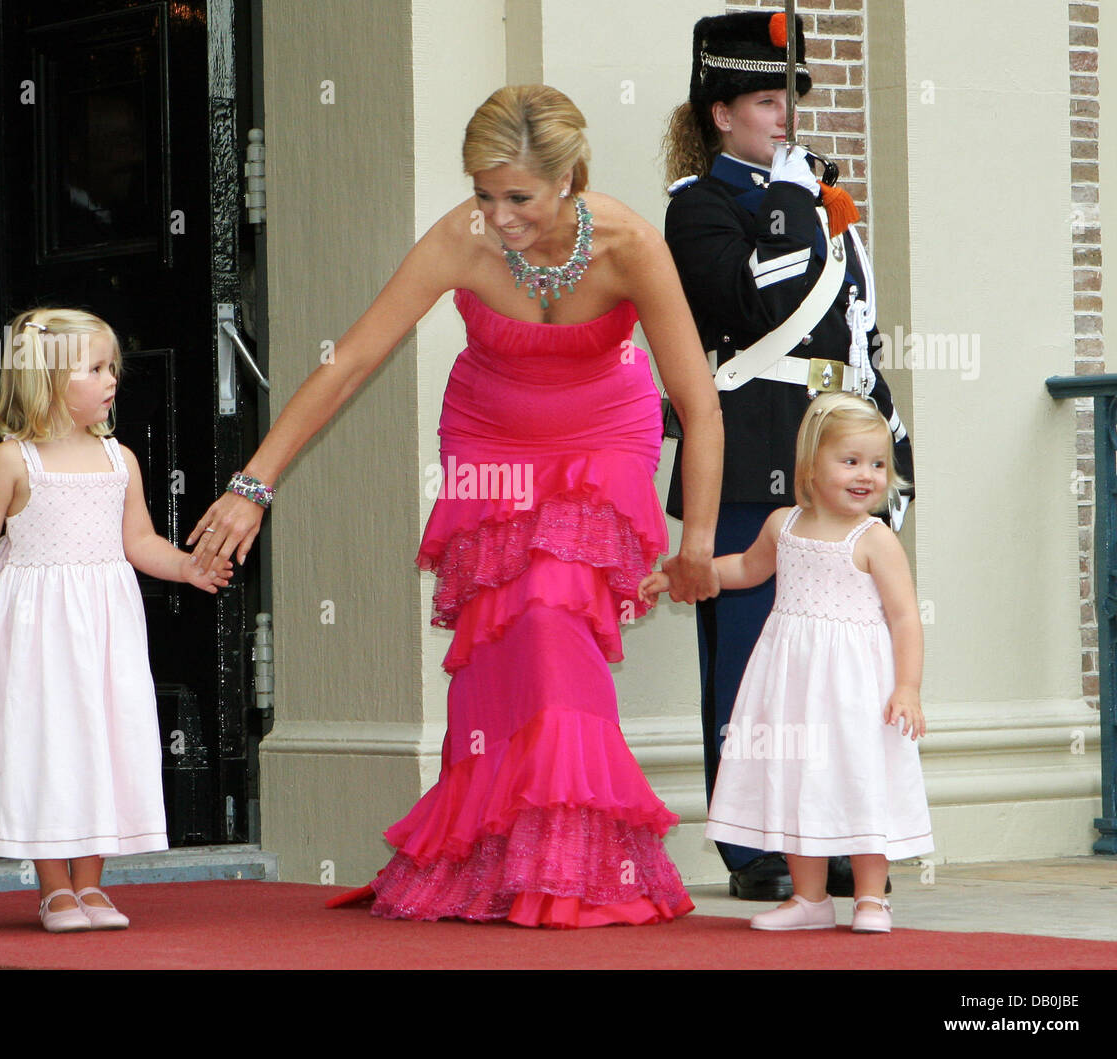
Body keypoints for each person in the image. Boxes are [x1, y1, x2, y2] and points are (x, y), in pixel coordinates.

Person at [189, 84, 724, 927]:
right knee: (499, 644)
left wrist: (697, 542)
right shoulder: (458, 240)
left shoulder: (630, 244)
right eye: (483, 193)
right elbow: (350, 363)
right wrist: (253, 485)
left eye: (519, 197)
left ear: (570, 179)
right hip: (488, 437)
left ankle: (575, 863)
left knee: (553, 609)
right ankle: (499, 863)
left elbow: (699, 404)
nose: (498, 216)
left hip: (601, 432)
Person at [660, 11, 913, 901]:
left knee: (840, 669)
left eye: (786, 101)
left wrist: (891, 438)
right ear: (722, 113)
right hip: (749, 452)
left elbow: (857, 332)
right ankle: (755, 846)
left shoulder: (812, 205)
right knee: (750, 659)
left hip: (834, 459)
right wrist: (788, 197)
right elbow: (754, 301)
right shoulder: (699, 207)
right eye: (767, 102)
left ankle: (832, 833)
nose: (784, 119)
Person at [0, 309, 233, 931]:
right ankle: (53, 886)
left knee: (98, 744)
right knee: (48, 746)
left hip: (104, 634)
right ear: (48, 381)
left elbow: (139, 541)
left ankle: (91, 885)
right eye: (94, 368)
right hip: (35, 634)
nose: (112, 378)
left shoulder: (120, 460)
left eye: (111, 366)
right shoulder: (12, 462)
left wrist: (187, 567)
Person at [641, 392, 931, 932]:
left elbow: (906, 619)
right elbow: (746, 569)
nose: (866, 474)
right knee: (798, 779)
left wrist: (907, 688)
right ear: (810, 466)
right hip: (792, 683)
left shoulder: (876, 539)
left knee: (859, 778)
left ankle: (871, 897)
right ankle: (809, 898)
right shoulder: (784, 526)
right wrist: (683, 574)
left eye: (877, 463)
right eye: (850, 461)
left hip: (856, 690)